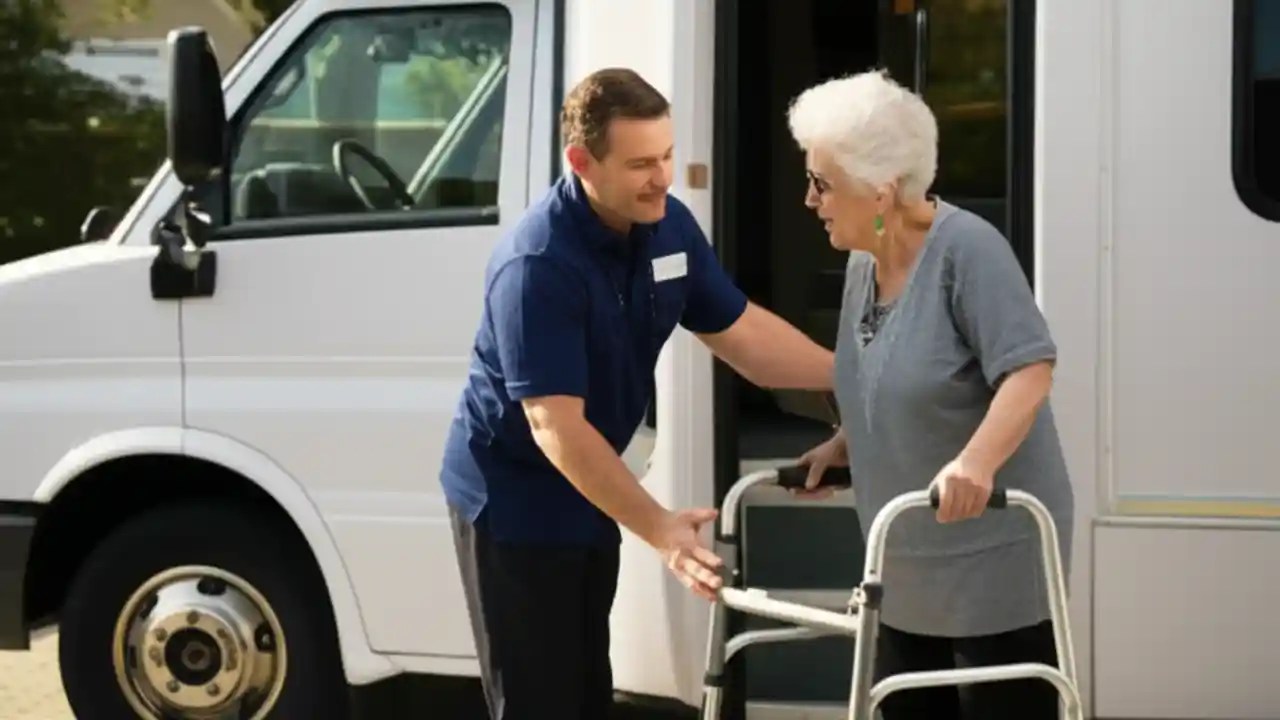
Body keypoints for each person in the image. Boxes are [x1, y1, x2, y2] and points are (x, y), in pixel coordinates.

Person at [438, 67, 834, 720]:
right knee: (540, 702)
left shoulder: (666, 226)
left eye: (668, 156)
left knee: (588, 690)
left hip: (596, 485)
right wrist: (663, 532)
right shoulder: (537, 264)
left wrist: (850, 374)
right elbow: (556, 429)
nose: (663, 177)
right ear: (581, 161)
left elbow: (743, 335)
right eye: (641, 163)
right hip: (516, 501)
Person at [787, 70, 1075, 720]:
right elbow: (896, 378)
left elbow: (1029, 370)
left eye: (822, 183)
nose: (809, 199)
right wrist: (846, 442)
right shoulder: (864, 262)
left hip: (992, 562)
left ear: (881, 188)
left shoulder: (967, 250)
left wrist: (975, 463)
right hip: (903, 560)